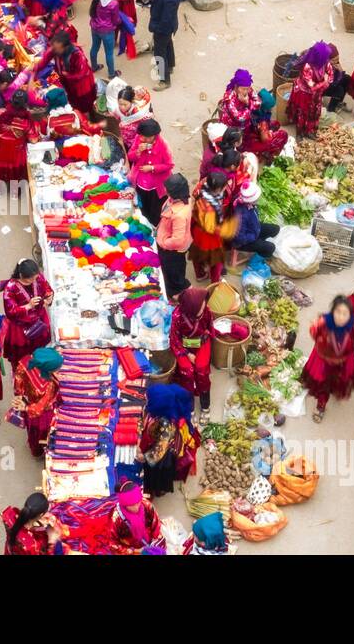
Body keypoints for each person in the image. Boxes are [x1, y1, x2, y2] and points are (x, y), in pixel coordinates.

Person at [302, 296, 354, 423]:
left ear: (350, 315)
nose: (341, 317)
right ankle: (321, 406)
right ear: (332, 311)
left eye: (345, 313)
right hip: (323, 361)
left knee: (338, 382)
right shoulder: (321, 324)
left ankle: (334, 392)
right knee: (323, 385)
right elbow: (313, 333)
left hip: (343, 362)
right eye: (338, 312)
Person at [141, 383, 199, 497]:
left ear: (157, 405)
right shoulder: (165, 405)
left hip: (164, 455)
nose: (146, 400)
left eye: (148, 399)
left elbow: (158, 453)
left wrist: (143, 457)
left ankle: (159, 490)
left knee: (159, 475)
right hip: (161, 444)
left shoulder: (166, 426)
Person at [169, 287, 214, 422]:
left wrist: (206, 337)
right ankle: (190, 408)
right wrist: (187, 353)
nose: (204, 306)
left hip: (201, 342)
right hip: (183, 346)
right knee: (187, 372)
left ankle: (206, 407)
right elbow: (174, 339)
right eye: (200, 305)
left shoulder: (206, 311)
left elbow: (210, 329)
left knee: (202, 370)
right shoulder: (177, 316)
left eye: (204, 302)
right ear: (191, 308)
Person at [1, 259, 53, 368]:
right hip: (22, 326)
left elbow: (47, 288)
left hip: (39, 319)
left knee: (40, 346)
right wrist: (28, 306)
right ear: (21, 275)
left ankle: (38, 364)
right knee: (23, 354)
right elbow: (10, 312)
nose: (35, 280)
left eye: (36, 277)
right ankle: (24, 372)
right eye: (31, 279)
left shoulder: (37, 277)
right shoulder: (10, 288)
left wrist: (49, 297)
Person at [148, 0, 193, 91]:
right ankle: (171, 65)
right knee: (168, 44)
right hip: (170, 26)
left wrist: (156, 28)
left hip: (163, 28)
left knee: (159, 52)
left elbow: (165, 19)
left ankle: (164, 80)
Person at [12, 347, 62, 458]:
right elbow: (40, 408)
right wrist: (25, 408)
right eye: (56, 369)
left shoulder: (26, 361)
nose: (58, 371)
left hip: (29, 402)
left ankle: (33, 447)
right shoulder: (48, 385)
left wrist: (20, 395)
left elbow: (18, 378)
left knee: (32, 429)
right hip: (43, 414)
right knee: (42, 432)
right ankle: (39, 451)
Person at [156, 174, 193, 300]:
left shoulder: (179, 215)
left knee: (174, 271)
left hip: (172, 249)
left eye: (168, 188)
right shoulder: (178, 200)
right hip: (168, 242)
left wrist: (163, 242)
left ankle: (180, 293)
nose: (165, 190)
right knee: (174, 269)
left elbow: (177, 240)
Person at [288, 42, 335, 137]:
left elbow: (331, 76)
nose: (327, 59)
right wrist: (325, 82)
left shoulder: (325, 63)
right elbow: (312, 86)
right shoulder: (307, 66)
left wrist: (325, 82)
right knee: (303, 113)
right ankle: (300, 133)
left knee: (314, 113)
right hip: (304, 94)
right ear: (319, 57)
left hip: (317, 94)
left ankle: (310, 130)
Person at [111, 480, 164, 554]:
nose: (136, 507)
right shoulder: (116, 518)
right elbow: (113, 543)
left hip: (149, 543)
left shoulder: (146, 505)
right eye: (131, 505)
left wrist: (154, 543)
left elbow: (156, 525)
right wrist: (135, 551)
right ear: (124, 504)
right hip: (131, 550)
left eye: (138, 502)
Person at [88, 0, 121, 80]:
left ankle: (94, 66)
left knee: (94, 47)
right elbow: (115, 20)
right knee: (109, 52)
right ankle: (111, 73)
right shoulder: (113, 3)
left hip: (94, 27)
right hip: (107, 31)